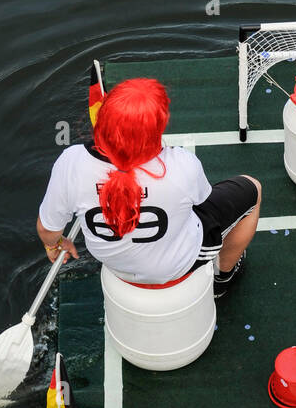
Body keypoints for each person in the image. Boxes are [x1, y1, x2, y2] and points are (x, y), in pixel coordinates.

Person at [36, 77, 259, 297]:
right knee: (252, 189)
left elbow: (48, 230)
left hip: (114, 264)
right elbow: (201, 200)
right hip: (179, 265)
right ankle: (223, 280)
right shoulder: (182, 163)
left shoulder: (71, 161)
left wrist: (54, 245)